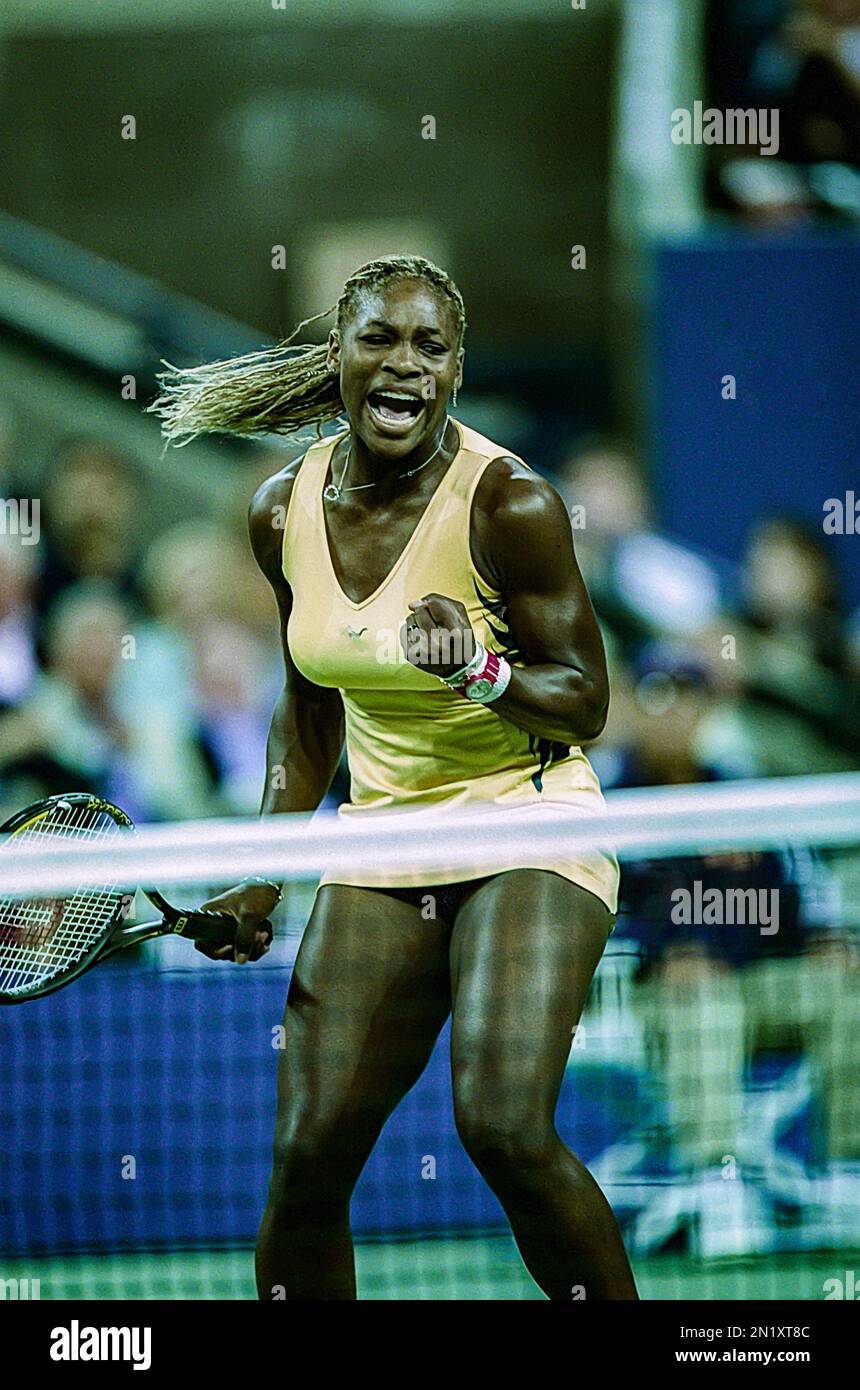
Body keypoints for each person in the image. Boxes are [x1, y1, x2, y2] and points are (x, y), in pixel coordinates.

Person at [148, 254, 636, 1301]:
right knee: (308, 1155)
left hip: (528, 821)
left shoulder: (511, 503)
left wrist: (482, 668)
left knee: (501, 1123)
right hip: (381, 837)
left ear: (455, 370)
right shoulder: (283, 510)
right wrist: (261, 873)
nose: (403, 364)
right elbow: (310, 706)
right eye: (379, 338)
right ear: (338, 353)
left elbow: (584, 699)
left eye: (430, 345)